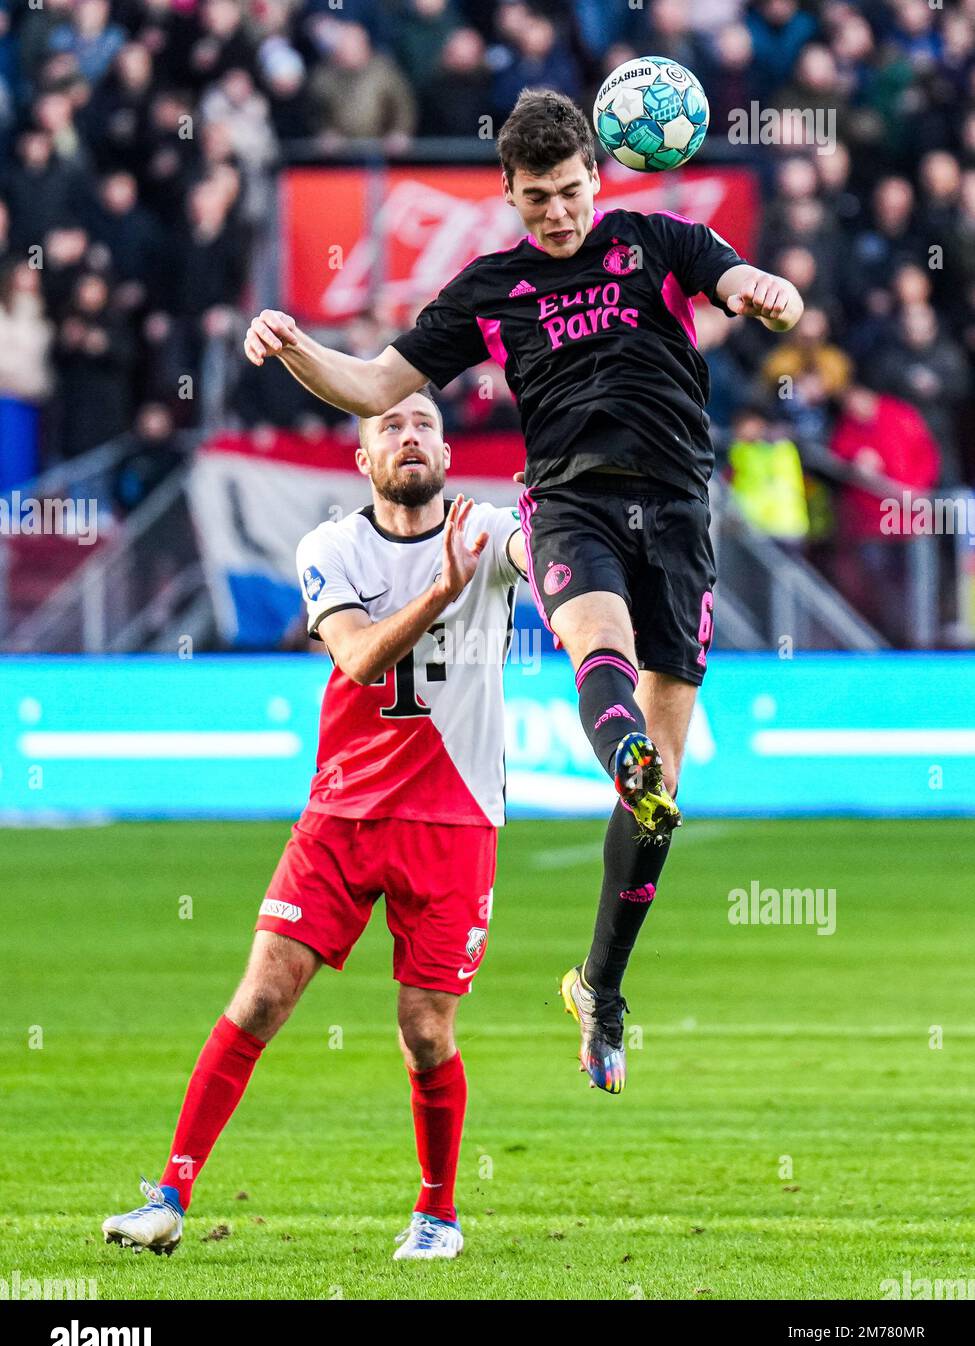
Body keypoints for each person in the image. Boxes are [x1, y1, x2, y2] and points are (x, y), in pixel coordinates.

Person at [240, 86, 803, 1095]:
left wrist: (768, 292)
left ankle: (601, 985)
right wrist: (292, 350)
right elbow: (375, 385)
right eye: (537, 196)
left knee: (662, 802)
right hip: (571, 506)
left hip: (678, 516)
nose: (557, 212)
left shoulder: (658, 241)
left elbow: (748, 282)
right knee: (601, 656)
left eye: (571, 189)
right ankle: (621, 748)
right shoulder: (489, 290)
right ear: (509, 193)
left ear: (599, 173)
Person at [102, 389, 529, 1261]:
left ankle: (438, 1218)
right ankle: (169, 1197)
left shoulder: (490, 531)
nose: (410, 438)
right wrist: (442, 590)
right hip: (339, 816)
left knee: (424, 1031)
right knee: (260, 997)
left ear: (447, 453)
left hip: (454, 824)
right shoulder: (330, 546)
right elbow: (361, 654)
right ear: (363, 460)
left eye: (425, 426)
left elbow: (548, 552)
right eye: (390, 428)